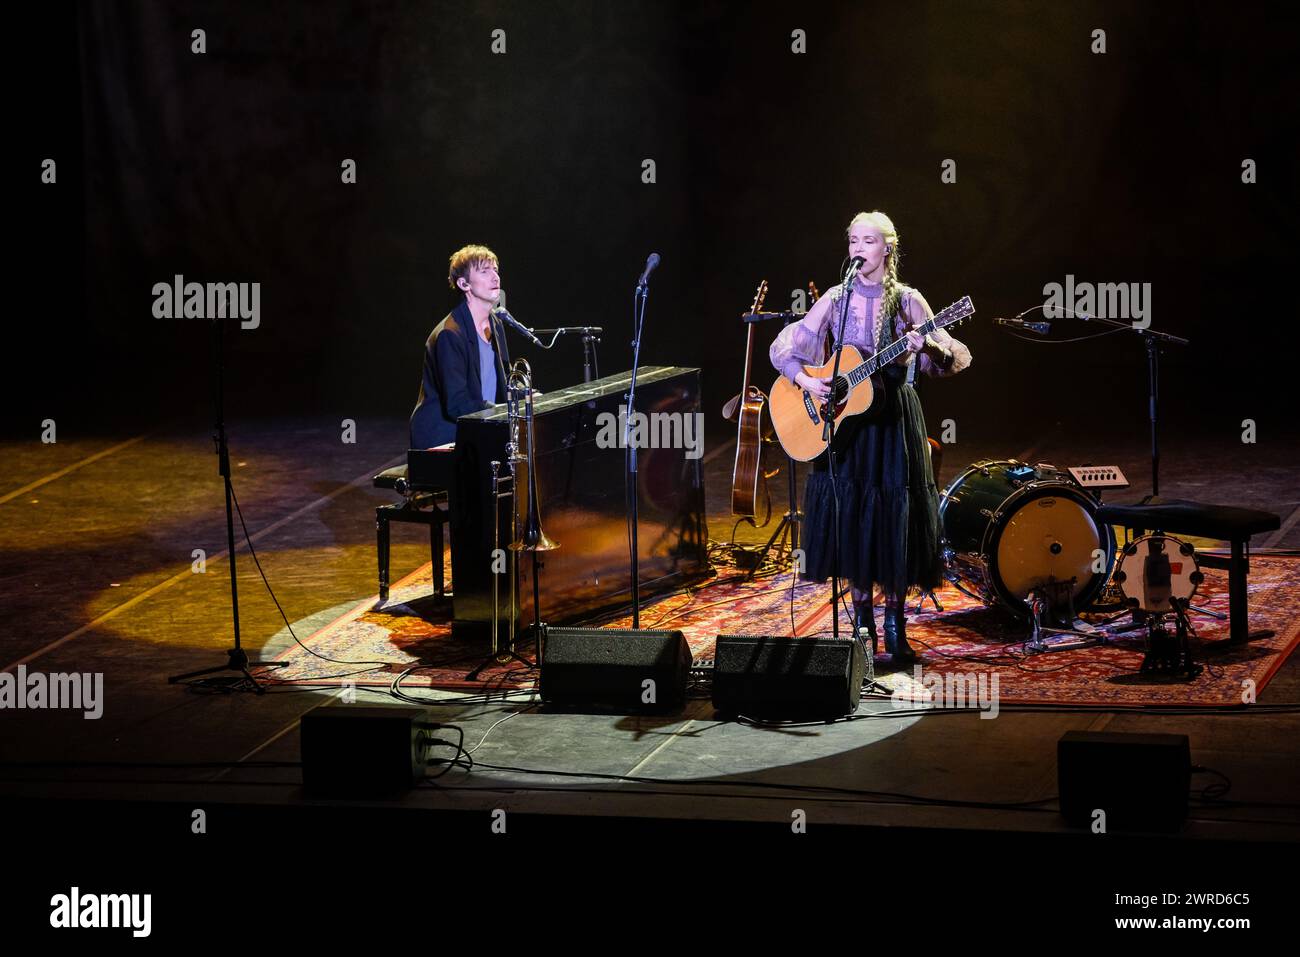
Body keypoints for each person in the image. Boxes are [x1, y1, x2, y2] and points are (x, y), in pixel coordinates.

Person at [769, 211, 972, 662]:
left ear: (888, 249)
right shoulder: (837, 299)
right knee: (854, 512)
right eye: (853, 240)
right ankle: (861, 624)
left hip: (892, 421)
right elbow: (787, 346)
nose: (859, 248)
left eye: (868, 240)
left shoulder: (907, 300)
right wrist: (806, 381)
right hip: (846, 427)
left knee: (892, 514)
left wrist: (928, 347)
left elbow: (952, 357)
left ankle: (895, 624)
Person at [410, 244, 509, 448]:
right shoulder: (450, 334)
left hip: (480, 427)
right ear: (464, 284)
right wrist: (501, 412)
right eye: (484, 271)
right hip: (444, 435)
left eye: (495, 270)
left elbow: (502, 384)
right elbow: (457, 404)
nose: (495, 277)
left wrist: (524, 398)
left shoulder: (496, 324)